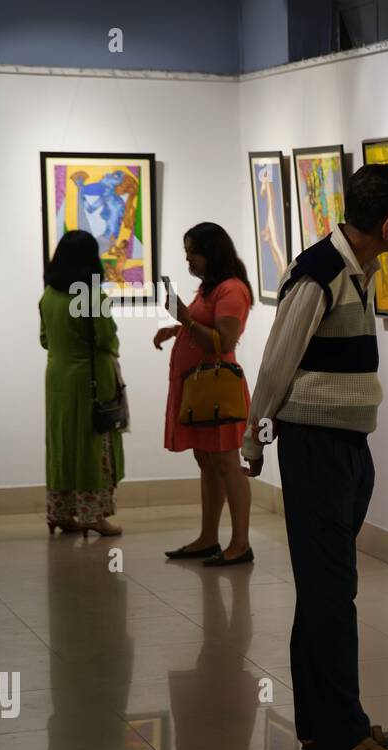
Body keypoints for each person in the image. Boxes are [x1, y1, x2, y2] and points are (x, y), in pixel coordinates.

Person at [241, 163, 388, 750]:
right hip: (315, 447)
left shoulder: (354, 273)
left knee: (324, 588)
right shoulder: (318, 274)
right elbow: (275, 361)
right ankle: (344, 735)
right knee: (332, 593)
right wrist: (254, 437)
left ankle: (319, 721)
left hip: (346, 446)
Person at [157, 222, 254, 566]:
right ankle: (208, 537)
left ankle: (240, 543)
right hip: (199, 390)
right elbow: (204, 327)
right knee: (207, 461)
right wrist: (176, 327)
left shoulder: (231, 290)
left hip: (218, 389)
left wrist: (183, 316)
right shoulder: (210, 288)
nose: (188, 261)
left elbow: (224, 342)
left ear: (211, 253)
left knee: (227, 463)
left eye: (192, 253)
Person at [40, 230, 124, 536]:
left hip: (57, 378)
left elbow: (44, 339)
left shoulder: (48, 295)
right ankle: (93, 515)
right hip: (90, 379)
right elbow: (106, 338)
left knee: (62, 443)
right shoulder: (91, 296)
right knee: (92, 444)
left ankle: (60, 513)